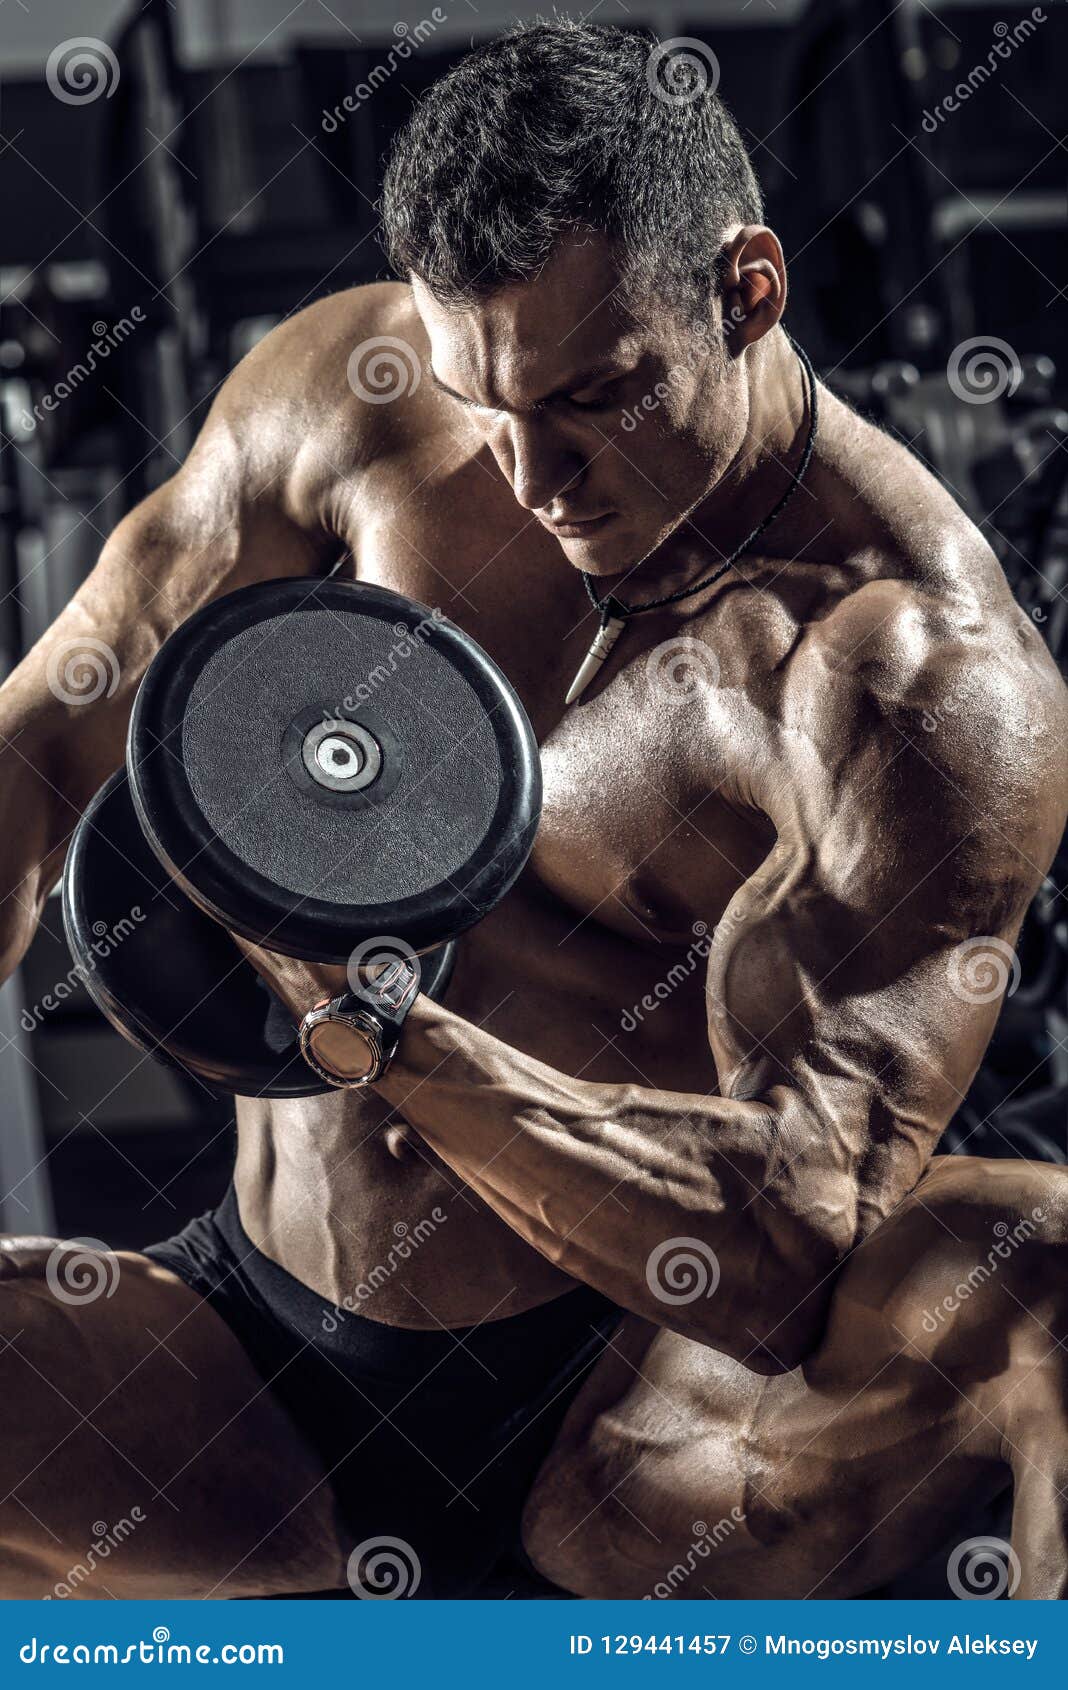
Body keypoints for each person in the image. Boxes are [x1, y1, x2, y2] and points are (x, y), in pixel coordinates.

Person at [0, 20, 1064, 1600]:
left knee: (1039, 1279)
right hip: (258, 1374)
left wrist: (380, 1036)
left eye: (599, 396)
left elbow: (779, 1241)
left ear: (747, 290)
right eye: (485, 400)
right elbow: (40, 745)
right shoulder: (357, 405)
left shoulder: (901, 673)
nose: (536, 473)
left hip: (643, 1437)